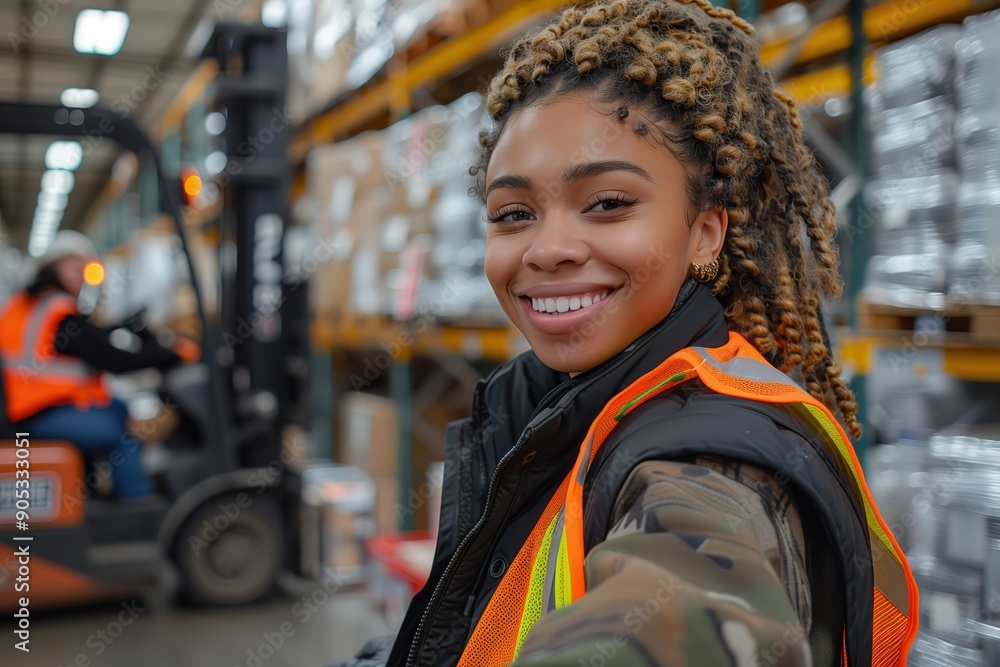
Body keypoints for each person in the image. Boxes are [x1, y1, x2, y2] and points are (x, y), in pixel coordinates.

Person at [333, 1, 918, 665]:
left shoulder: (711, 466)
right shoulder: (565, 403)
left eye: (608, 203)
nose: (548, 248)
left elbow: (678, 605)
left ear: (705, 232)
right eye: (514, 212)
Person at [0, 230, 198, 497]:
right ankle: (137, 502)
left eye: (84, 268)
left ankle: (99, 492)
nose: (80, 275)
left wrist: (125, 329)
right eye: (73, 266)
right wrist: (171, 353)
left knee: (120, 408)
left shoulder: (31, 304)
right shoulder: (57, 310)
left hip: (35, 404)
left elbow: (90, 341)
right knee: (124, 434)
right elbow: (110, 358)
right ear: (51, 267)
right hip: (36, 411)